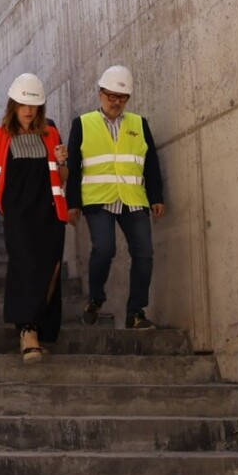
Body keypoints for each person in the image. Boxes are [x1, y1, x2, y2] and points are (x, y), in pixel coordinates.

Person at [66, 64, 165, 328]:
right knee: (104, 248)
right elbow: (73, 166)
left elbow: (151, 164)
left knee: (144, 254)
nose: (116, 102)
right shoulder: (83, 124)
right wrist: (73, 203)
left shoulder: (139, 124)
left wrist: (156, 197)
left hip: (133, 199)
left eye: (122, 97)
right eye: (111, 96)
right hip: (98, 199)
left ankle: (136, 313)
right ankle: (95, 299)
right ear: (101, 94)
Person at [0, 74, 70, 362]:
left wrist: (62, 161)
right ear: (13, 104)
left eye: (34, 105)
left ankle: (38, 326)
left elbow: (63, 177)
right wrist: (4, 206)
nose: (29, 110)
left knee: (50, 268)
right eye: (23, 104)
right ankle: (27, 329)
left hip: (50, 211)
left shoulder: (51, 133)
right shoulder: (1, 134)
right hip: (18, 214)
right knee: (26, 266)